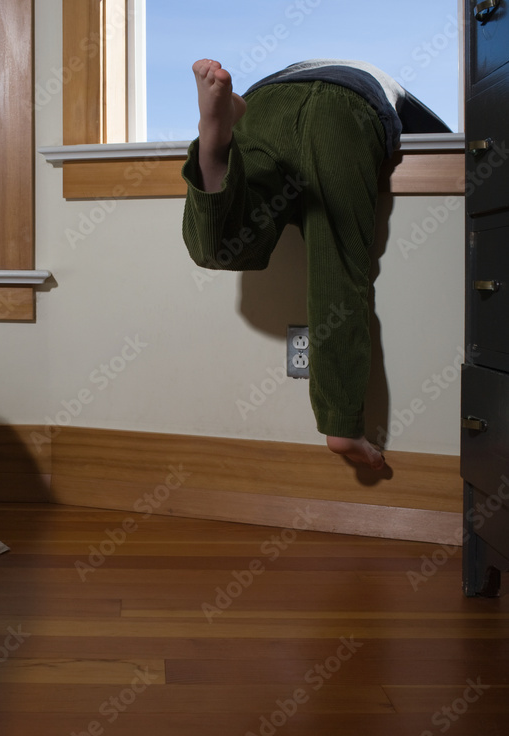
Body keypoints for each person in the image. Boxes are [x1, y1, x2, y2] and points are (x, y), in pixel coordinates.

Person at [180, 58, 450, 470]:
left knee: (226, 243)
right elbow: (450, 148)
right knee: (338, 267)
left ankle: (215, 144)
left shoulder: (295, 70)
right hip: (345, 107)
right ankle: (341, 425)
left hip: (262, 104)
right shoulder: (390, 88)